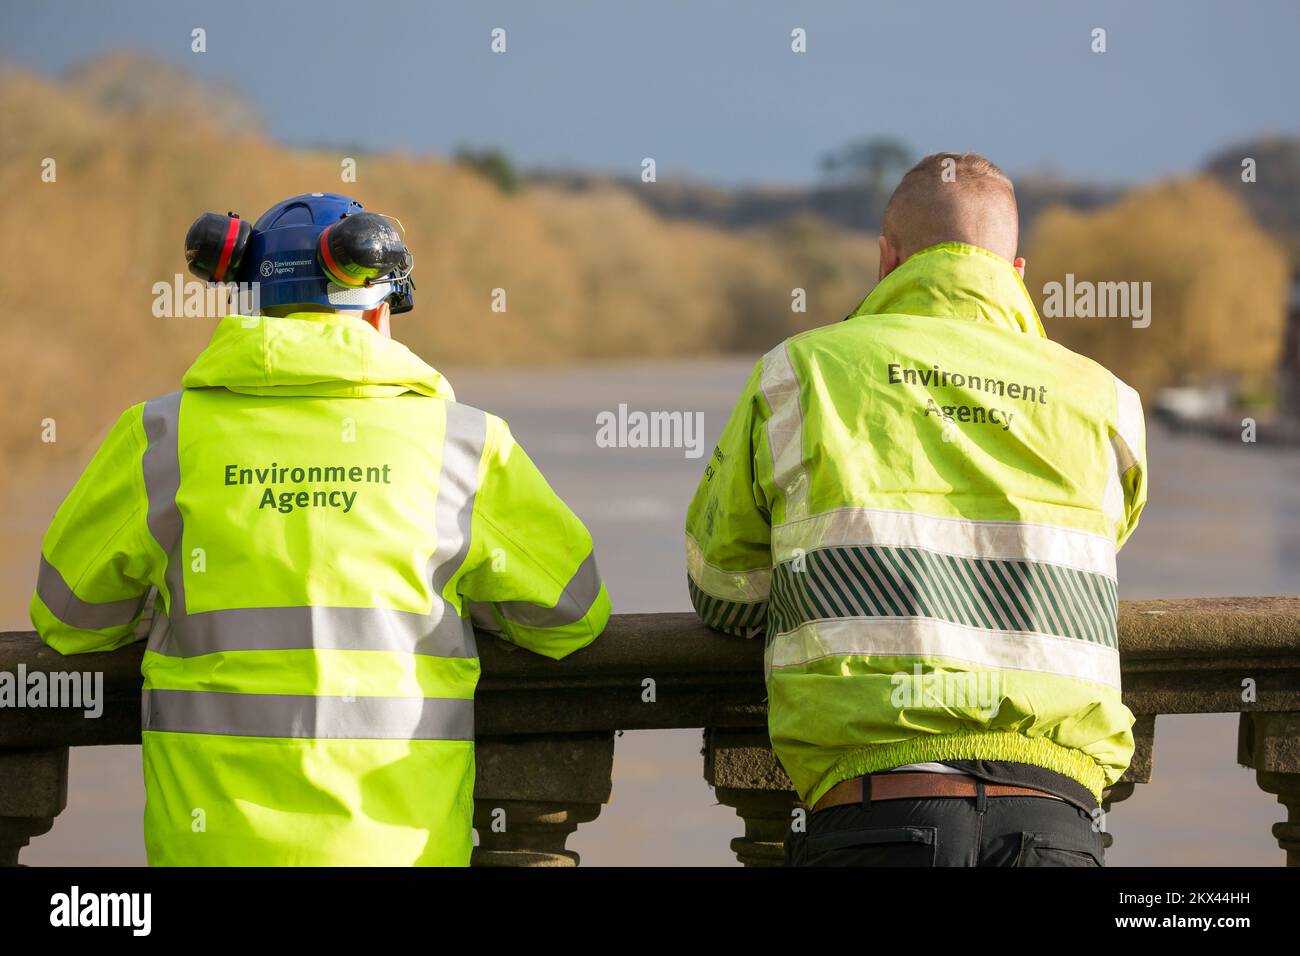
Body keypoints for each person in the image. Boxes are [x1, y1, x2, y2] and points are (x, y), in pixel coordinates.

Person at [31, 192, 610, 866]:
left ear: (243, 302)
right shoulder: (464, 444)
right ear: (374, 306)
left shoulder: (160, 437)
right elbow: (572, 616)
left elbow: (68, 617)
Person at [684, 153, 1146, 866]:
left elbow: (724, 591)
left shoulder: (800, 375)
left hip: (875, 815)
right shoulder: (1108, 404)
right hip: (1056, 819)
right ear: (1016, 273)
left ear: (887, 258)